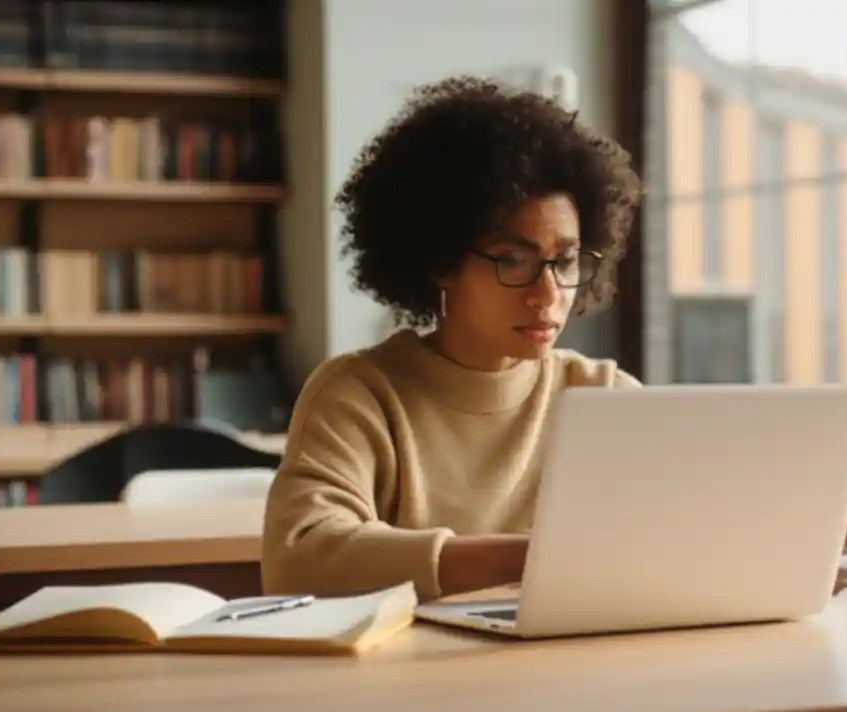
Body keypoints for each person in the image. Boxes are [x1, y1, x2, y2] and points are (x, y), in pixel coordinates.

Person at [261, 76, 642, 601]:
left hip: (570, 670)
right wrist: (532, 559)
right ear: (440, 262)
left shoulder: (605, 396)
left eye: (566, 260)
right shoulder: (360, 395)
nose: (547, 292)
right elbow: (299, 561)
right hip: (412, 678)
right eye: (514, 260)